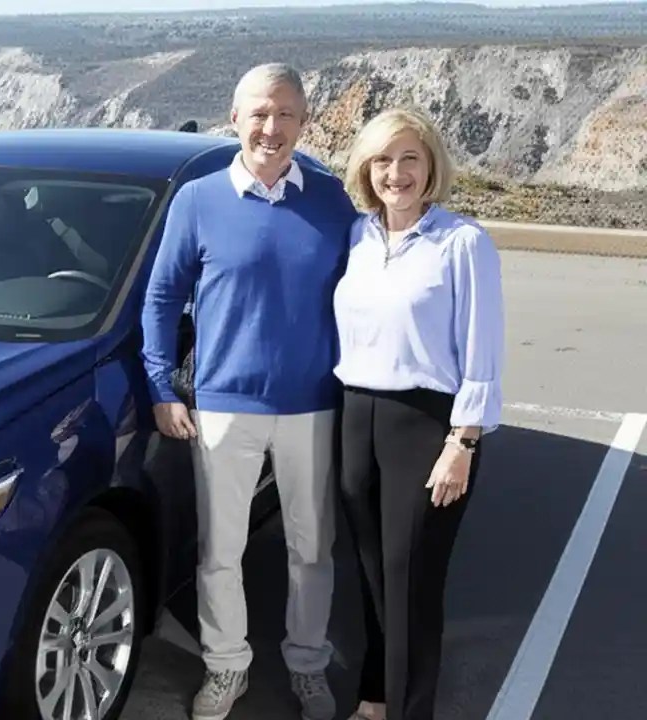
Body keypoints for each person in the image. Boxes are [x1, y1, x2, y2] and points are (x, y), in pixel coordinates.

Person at [140, 63, 358, 720]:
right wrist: (160, 383)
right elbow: (161, 296)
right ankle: (226, 667)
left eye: (286, 113)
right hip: (223, 407)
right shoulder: (198, 200)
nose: (271, 127)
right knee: (219, 552)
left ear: (304, 122)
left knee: (311, 548)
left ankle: (307, 665)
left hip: (313, 404)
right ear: (234, 120)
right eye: (259, 113)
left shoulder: (330, 200)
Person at [332, 107, 505, 720]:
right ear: (365, 168)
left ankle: (411, 711)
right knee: (375, 577)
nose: (395, 173)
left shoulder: (462, 242)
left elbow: (483, 352)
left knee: (412, 583)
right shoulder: (355, 236)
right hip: (355, 416)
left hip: (427, 426)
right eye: (382, 159)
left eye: (409, 158)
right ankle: (376, 698)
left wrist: (464, 441)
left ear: (431, 166)